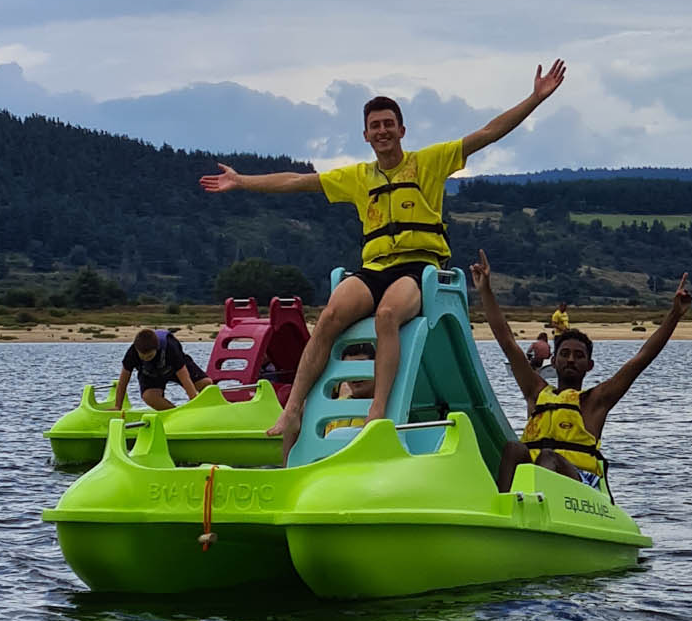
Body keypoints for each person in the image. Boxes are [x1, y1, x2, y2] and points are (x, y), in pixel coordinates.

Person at [200, 61, 567, 455]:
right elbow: (295, 181)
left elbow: (488, 133)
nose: (382, 131)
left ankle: (377, 412)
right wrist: (241, 182)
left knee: (387, 316)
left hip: (420, 267)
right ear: (366, 135)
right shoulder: (358, 177)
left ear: (401, 130)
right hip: (374, 269)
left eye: (388, 123)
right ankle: (292, 410)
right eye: (375, 126)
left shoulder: (429, 161)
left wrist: (534, 99)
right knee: (328, 318)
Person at [472, 250, 692, 493]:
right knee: (514, 449)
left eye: (579, 356)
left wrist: (674, 315)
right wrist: (485, 291)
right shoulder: (536, 393)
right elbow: (508, 343)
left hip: (581, 488)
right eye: (565, 354)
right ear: (554, 361)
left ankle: (537, 512)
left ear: (589, 366)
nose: (571, 360)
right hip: (536, 484)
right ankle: (506, 511)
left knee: (548, 457)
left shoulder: (596, 401)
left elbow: (641, 359)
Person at [112, 326, 204, 412]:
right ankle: (175, 413)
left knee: (206, 383)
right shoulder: (131, 354)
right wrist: (118, 407)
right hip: (151, 373)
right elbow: (123, 382)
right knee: (149, 397)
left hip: (174, 368)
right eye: (142, 356)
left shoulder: (170, 348)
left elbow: (185, 378)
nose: (146, 358)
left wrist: (194, 403)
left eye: (149, 356)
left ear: (157, 348)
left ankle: (209, 407)